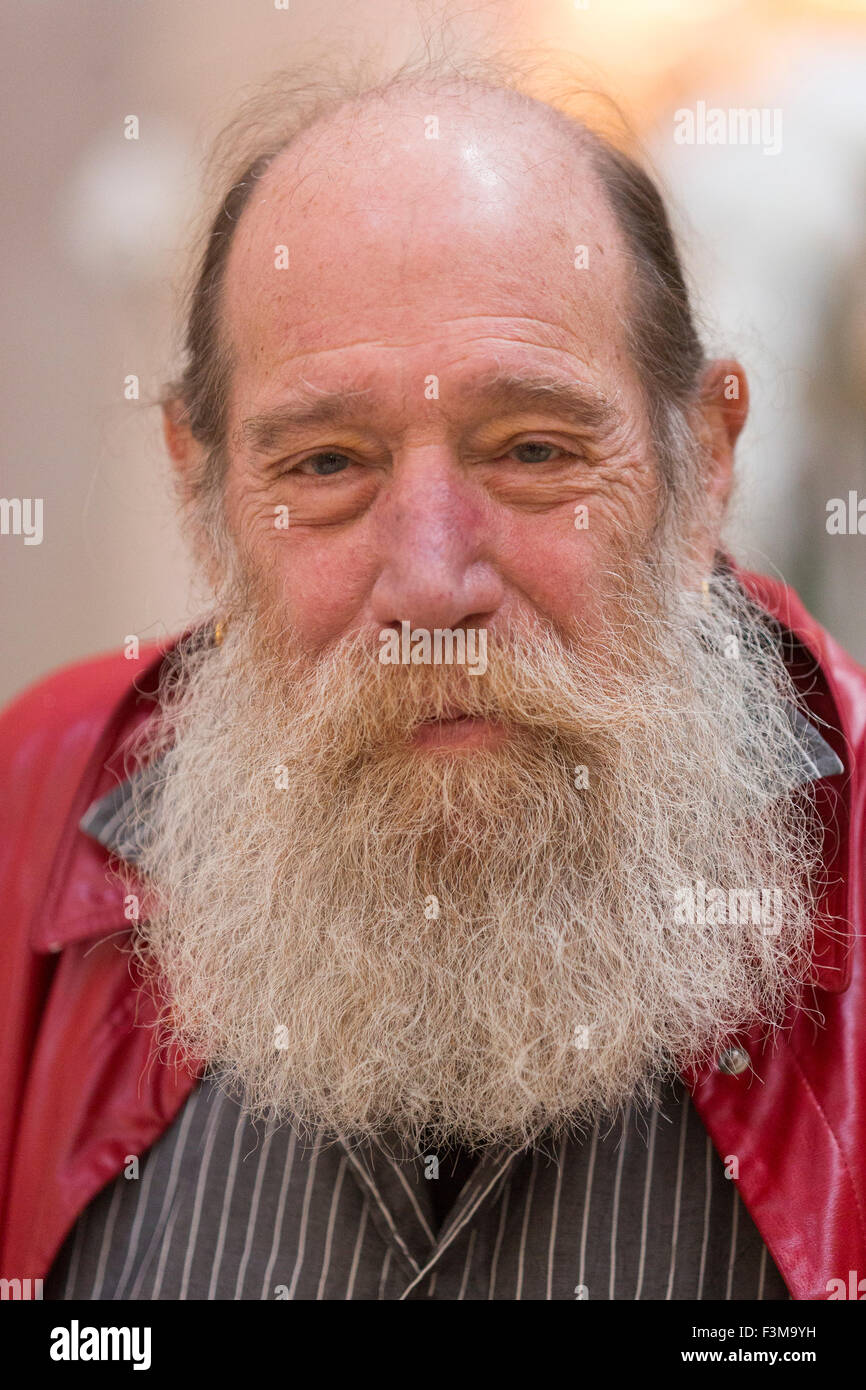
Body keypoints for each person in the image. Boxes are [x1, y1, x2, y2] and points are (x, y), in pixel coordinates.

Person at [1, 56, 863, 1302]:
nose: (429, 582)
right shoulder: (34, 814)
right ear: (205, 495)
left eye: (531, 450)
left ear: (703, 465)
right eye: (325, 464)